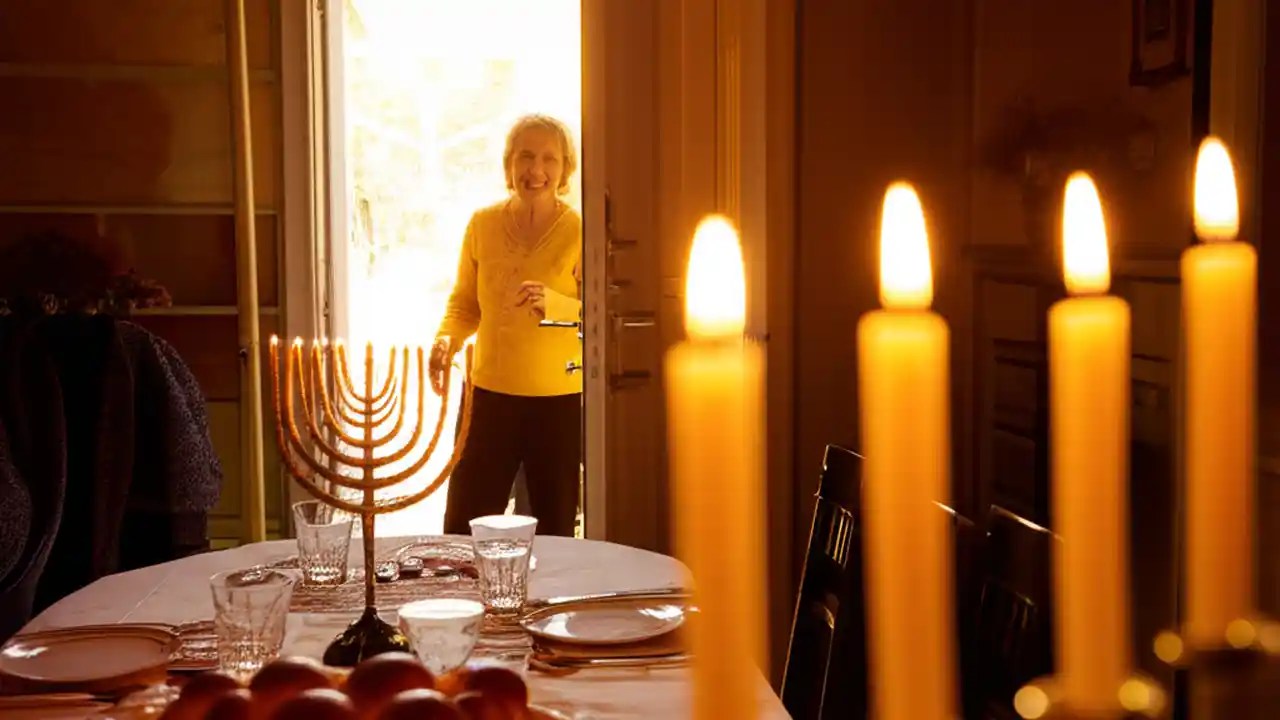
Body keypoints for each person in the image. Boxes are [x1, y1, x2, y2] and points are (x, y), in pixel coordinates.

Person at [431, 114, 582, 536]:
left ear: (564, 168)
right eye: (525, 156)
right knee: (464, 527)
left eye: (549, 159)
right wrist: (446, 340)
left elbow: (597, 316)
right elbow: (464, 304)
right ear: (508, 164)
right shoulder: (482, 224)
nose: (536, 170)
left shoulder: (580, 230)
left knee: (554, 533)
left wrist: (555, 305)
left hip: (559, 403)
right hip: (487, 398)